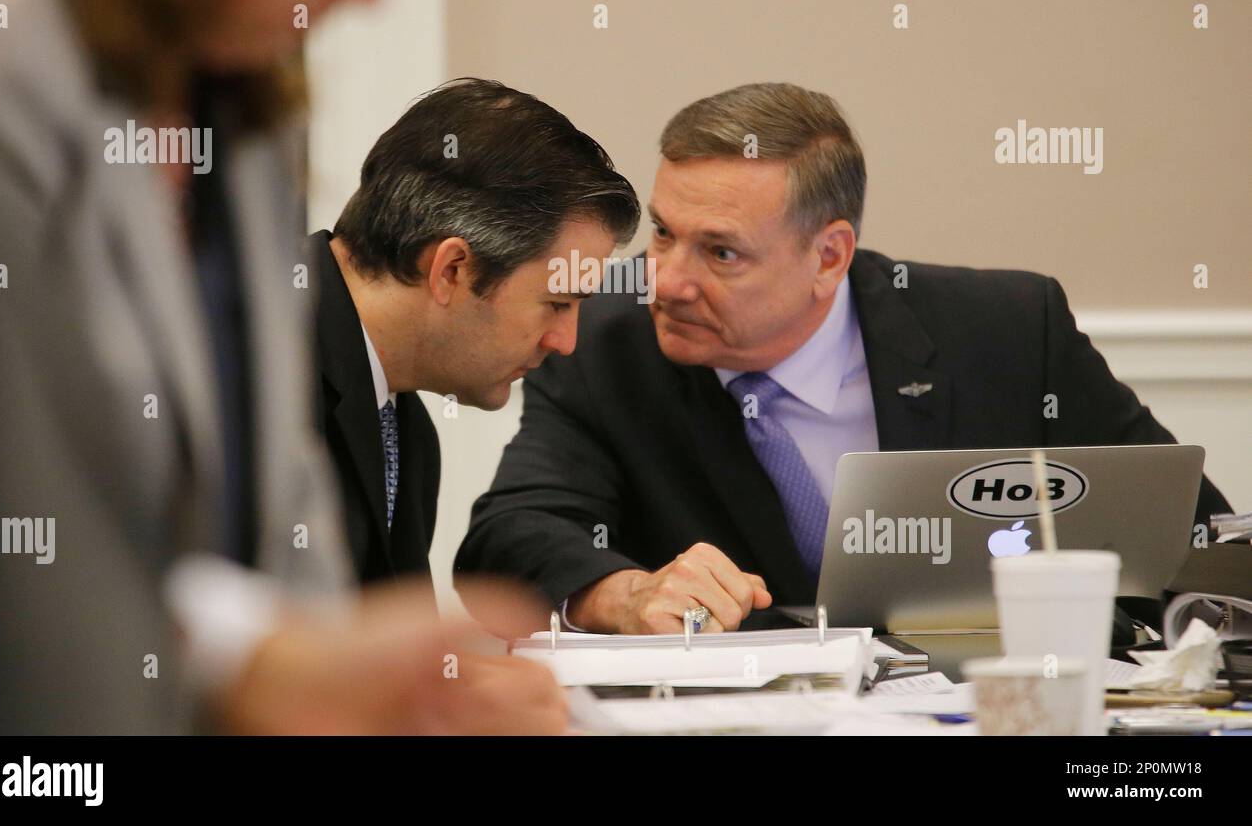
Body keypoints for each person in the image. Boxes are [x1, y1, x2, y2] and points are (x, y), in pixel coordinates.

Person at [0, 0, 567, 734]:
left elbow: (267, 516)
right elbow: (13, 538)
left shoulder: (244, 112)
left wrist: (355, 678)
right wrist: (257, 663)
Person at [454, 82, 1231, 636]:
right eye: (662, 232)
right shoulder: (604, 340)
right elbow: (512, 535)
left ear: (829, 256)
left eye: (720, 250)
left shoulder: (1007, 329)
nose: (667, 279)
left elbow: (1193, 532)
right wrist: (623, 593)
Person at [312, 78, 639, 587]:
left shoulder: (404, 425)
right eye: (556, 303)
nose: (566, 341)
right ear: (451, 270)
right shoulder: (257, 373)